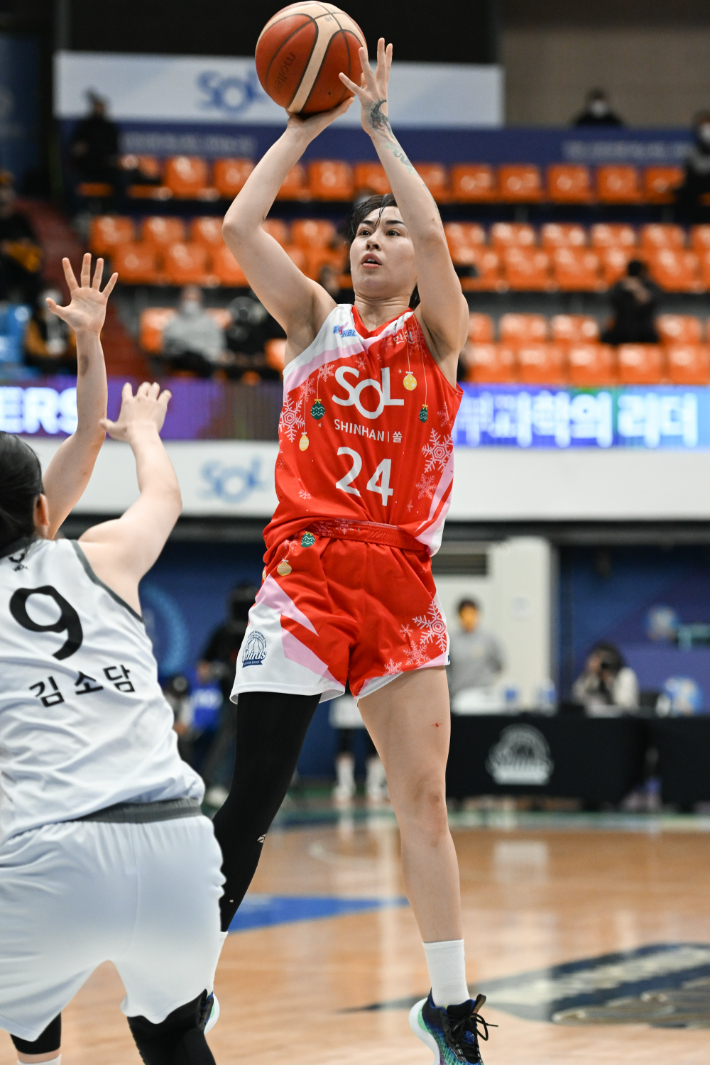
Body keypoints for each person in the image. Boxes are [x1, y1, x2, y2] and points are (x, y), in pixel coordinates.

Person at [214, 38, 494, 1063]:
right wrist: (301, 129)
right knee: (254, 794)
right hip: (304, 576)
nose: (374, 241)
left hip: (399, 584)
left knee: (422, 801)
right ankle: (184, 979)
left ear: (419, 261)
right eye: (362, 233)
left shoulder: (438, 335)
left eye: (390, 232)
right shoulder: (310, 321)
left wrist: (379, 132)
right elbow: (238, 226)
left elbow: (433, 229)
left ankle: (449, 1006)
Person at [0, 256, 224, 1063]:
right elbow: (138, 479)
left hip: (49, 854)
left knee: (25, 1006)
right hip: (178, 844)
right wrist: (140, 423)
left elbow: (81, 446)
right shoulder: (100, 555)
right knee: (172, 1029)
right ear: (41, 511)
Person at [197, 583, 258, 807]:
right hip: (230, 698)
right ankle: (213, 786)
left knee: (260, 741)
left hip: (257, 698)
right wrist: (218, 670)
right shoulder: (223, 632)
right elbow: (202, 669)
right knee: (225, 740)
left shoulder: (260, 631)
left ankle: (261, 788)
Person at [329, 684, 388, 805]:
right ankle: (345, 785)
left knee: (373, 743)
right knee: (345, 743)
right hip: (345, 698)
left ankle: (374, 786)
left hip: (369, 695)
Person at [448, 598, 506, 713]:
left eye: (472, 613)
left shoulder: (488, 638)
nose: (469, 617)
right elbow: (446, 668)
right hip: (458, 696)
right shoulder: (451, 639)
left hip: (483, 695)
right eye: (465, 613)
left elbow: (499, 664)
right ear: (459, 615)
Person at [161, 286, 225, 377]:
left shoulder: (209, 321)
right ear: (181, 300)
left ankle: (206, 386)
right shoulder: (173, 321)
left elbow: (216, 344)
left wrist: (208, 353)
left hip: (203, 361)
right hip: (180, 359)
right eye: (187, 299)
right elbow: (167, 344)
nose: (191, 303)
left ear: (200, 301)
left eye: (194, 300)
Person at [0, 172, 43, 304]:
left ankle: (33, 309)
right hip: (3, 268)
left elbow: (37, 246)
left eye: (6, 189)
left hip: (20, 269)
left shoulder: (21, 219)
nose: (3, 193)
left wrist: (26, 246)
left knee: (32, 265)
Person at [223, 292, 284, 382]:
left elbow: (263, 354)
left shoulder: (258, 331)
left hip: (256, 364)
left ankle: (273, 391)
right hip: (238, 365)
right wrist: (236, 358)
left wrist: (258, 359)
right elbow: (227, 353)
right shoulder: (231, 332)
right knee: (230, 371)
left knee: (272, 372)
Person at [601, 259, 660, 345]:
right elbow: (612, 301)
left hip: (644, 329)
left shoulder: (649, 285)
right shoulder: (620, 285)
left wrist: (637, 289)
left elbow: (649, 300)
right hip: (622, 328)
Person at [69, 92, 120, 188]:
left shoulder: (110, 128)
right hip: (86, 167)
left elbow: (113, 149)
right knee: (71, 181)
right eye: (96, 107)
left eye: (101, 107)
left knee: (121, 182)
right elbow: (76, 148)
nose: (98, 109)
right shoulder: (84, 126)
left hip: (105, 168)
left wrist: (91, 149)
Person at [572, 641, 639, 714]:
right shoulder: (591, 677)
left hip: (620, 719)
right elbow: (577, 699)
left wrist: (608, 680)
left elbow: (625, 704)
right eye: (596, 657)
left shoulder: (625, 675)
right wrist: (589, 676)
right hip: (594, 718)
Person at [23, 287, 78, 374]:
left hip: (64, 354)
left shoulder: (65, 318)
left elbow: (73, 339)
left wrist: (65, 349)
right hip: (44, 356)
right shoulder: (36, 320)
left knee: (78, 362)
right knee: (48, 364)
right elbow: (32, 344)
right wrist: (47, 350)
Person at [674, 110, 710, 218]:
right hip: (700, 183)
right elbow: (696, 169)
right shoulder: (696, 149)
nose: (707, 130)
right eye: (703, 127)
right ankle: (693, 224)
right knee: (685, 191)